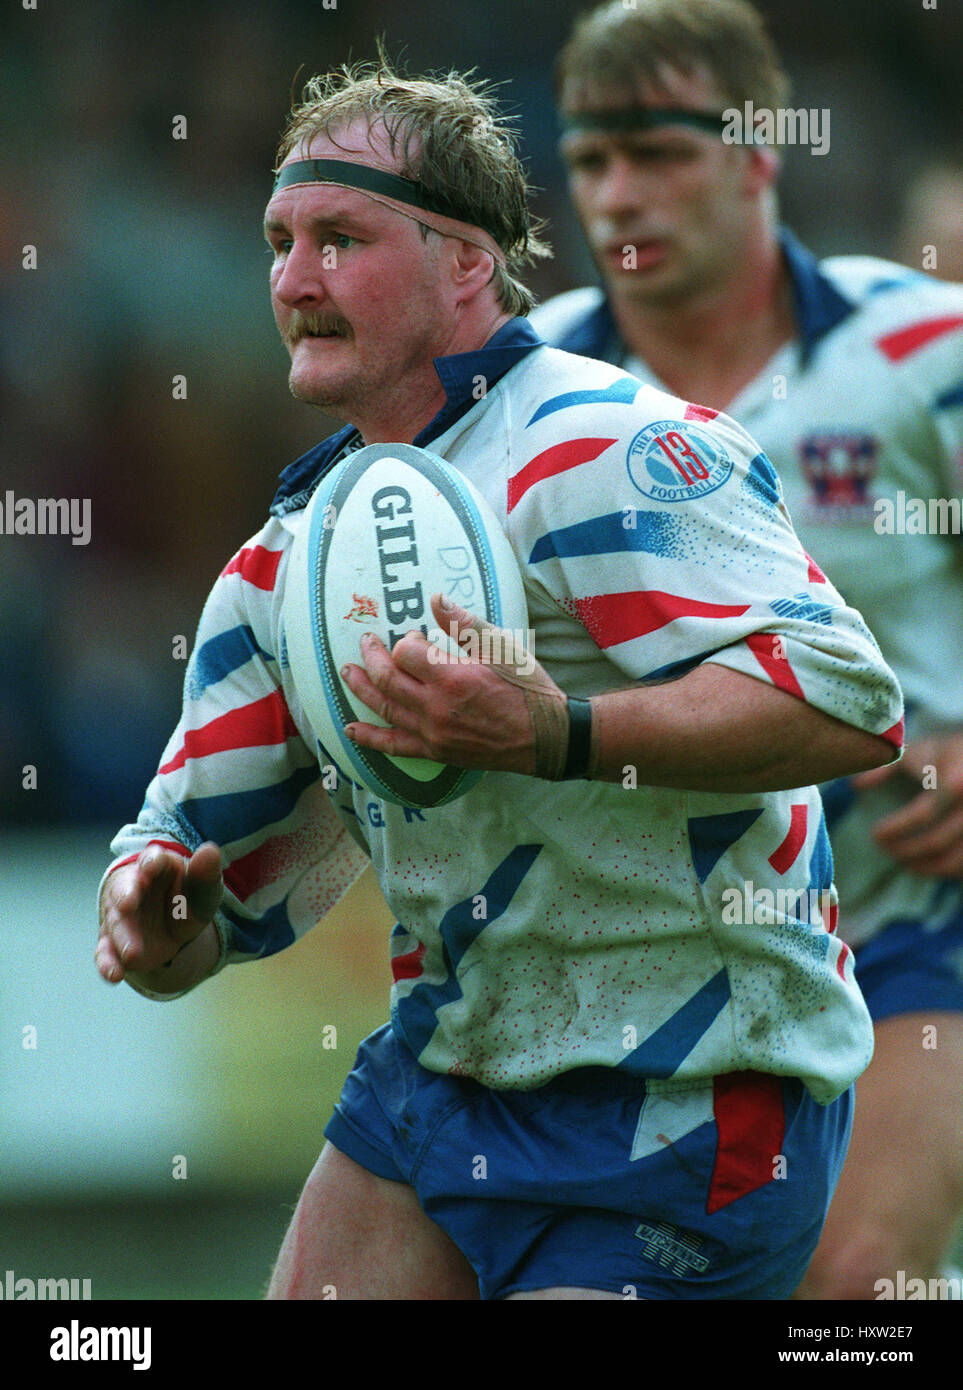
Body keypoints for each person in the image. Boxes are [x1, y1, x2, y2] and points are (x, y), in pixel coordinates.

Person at [96, 52, 903, 1301]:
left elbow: (846, 700)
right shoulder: (278, 568)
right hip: (450, 1077)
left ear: (468, 263)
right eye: (280, 240)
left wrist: (557, 731)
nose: (294, 279)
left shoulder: (606, 449)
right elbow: (215, 879)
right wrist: (156, 915)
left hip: (691, 1095)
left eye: (342, 238)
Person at [530, 0, 963, 1300]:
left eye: (655, 151)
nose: (617, 193)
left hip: (902, 918)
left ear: (756, 154)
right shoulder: (533, 386)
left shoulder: (917, 348)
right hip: (648, 954)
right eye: (590, 159)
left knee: (854, 1285)